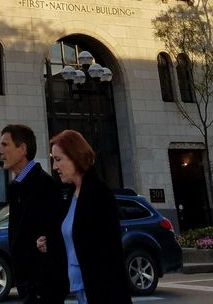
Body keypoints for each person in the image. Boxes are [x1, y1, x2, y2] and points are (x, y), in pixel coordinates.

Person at [39, 129, 132, 304]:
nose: (54, 167)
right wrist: (50, 242)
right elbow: (74, 239)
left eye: (58, 159)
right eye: (53, 160)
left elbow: (107, 254)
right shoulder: (72, 196)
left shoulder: (99, 195)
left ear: (75, 157)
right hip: (80, 291)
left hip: (100, 294)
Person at [0, 123, 68, 304]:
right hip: (27, 286)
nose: (0, 151)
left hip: (44, 288)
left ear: (22, 149)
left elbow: (53, 238)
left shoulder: (44, 185)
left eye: (5, 145)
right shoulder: (16, 186)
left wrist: (38, 287)